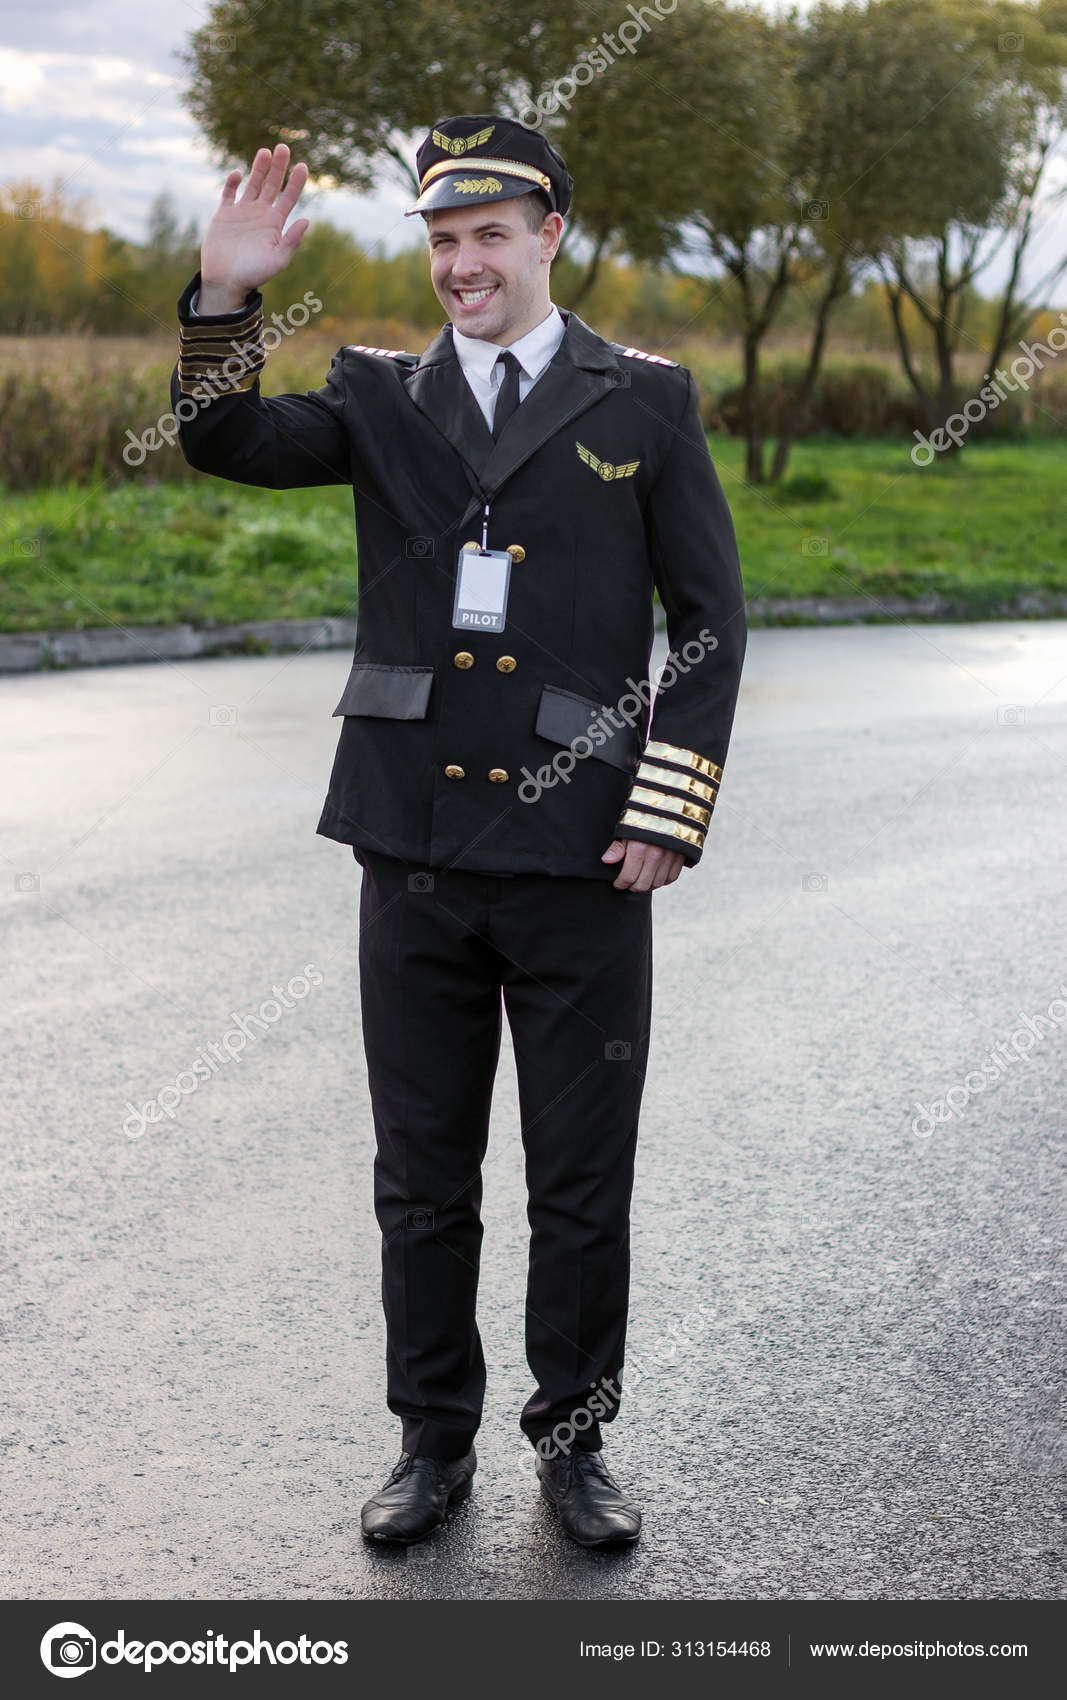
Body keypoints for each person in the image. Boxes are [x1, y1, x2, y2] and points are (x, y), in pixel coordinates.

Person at [171, 114, 746, 1549]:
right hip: (414, 850)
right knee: (423, 1177)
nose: (462, 264)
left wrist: (668, 811)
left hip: (584, 858)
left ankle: (575, 1446)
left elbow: (712, 625)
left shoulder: (643, 403)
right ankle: (432, 1447)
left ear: (551, 236)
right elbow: (223, 436)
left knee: (580, 1181)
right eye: (441, 241)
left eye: (490, 235)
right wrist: (224, 299)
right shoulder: (378, 395)